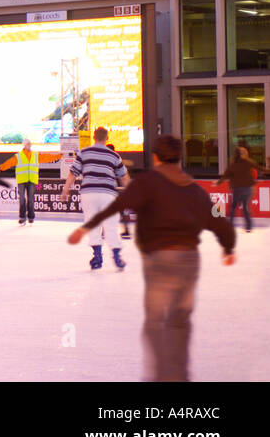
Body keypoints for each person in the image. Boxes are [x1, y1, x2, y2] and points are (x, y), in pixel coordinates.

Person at [67, 135, 236, 381]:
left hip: (159, 261)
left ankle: (160, 375)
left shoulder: (147, 184)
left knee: (156, 321)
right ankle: (178, 374)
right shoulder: (197, 191)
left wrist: (85, 228)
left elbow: (117, 206)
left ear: (155, 158)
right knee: (180, 321)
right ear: (180, 158)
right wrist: (228, 248)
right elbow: (220, 221)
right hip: (188, 261)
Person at [60, 127, 129, 270]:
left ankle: (97, 256)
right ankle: (116, 256)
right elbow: (124, 177)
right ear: (107, 138)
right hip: (108, 194)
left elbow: (73, 173)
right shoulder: (114, 156)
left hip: (88, 193)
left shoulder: (84, 153)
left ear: (94, 137)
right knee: (111, 225)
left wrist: (65, 190)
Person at [221, 145, 258, 233]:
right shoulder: (238, 163)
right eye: (241, 153)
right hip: (239, 188)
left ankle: (245, 226)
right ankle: (246, 226)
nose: (242, 154)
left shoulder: (246, 163)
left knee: (239, 207)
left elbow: (254, 174)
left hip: (243, 188)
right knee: (238, 207)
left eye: (243, 152)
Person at [11, 138, 38, 226]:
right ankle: (22, 217)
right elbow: (9, 163)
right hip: (22, 180)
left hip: (31, 180)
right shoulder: (18, 155)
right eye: (28, 144)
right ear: (24, 145)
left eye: (30, 144)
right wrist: (1, 167)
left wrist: (59, 155)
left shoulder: (35, 155)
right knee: (22, 199)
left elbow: (47, 157)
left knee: (30, 199)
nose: (30, 145)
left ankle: (31, 217)